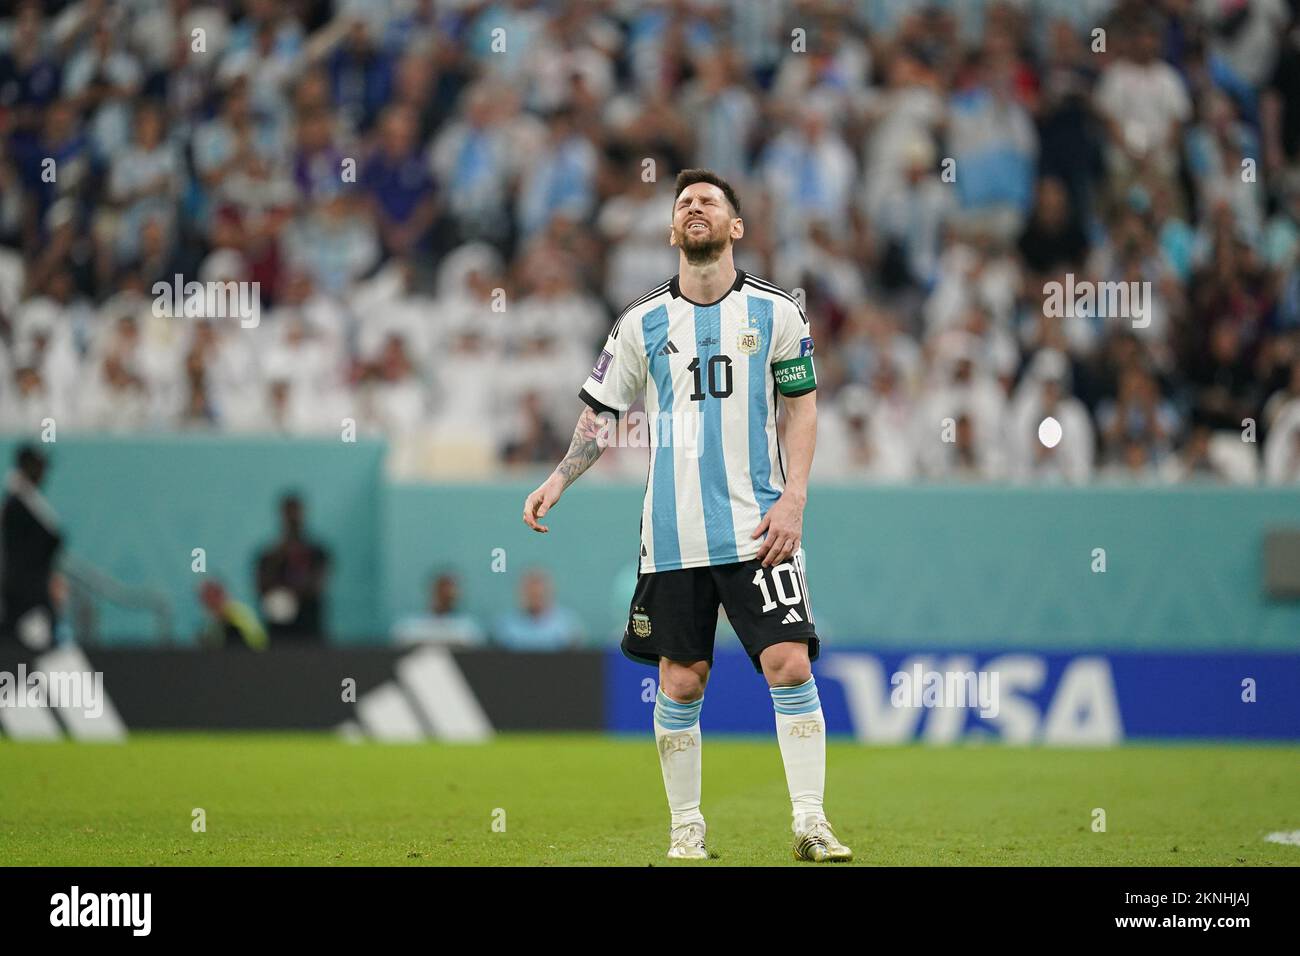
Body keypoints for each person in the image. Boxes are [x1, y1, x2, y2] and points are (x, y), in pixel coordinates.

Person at [522, 169, 850, 863]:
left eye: (708, 202)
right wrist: (559, 477)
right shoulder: (640, 322)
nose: (693, 209)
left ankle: (811, 822)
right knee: (680, 680)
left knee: (789, 664)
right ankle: (687, 829)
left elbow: (804, 407)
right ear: (673, 231)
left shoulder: (777, 313)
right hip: (672, 535)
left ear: (735, 227)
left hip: (762, 526)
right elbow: (601, 413)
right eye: (682, 204)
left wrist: (794, 498)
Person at [0, 444, 63, 651]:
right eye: (39, 467)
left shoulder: (26, 501)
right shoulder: (18, 503)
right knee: (29, 650)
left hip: (32, 592)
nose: (43, 473)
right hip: (26, 595)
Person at [254, 493, 331, 641]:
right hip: (278, 634)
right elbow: (262, 587)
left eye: (297, 513)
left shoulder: (317, 554)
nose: (293, 519)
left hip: (310, 632)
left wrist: (292, 589)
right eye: (289, 514)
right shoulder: (269, 556)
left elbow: (317, 586)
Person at [490, 568, 583, 650]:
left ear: (549, 591)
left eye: (539, 592)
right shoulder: (505, 626)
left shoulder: (567, 625)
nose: (535, 594)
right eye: (530, 591)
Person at [391, 571, 486, 646]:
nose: (446, 593)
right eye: (441, 588)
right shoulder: (409, 626)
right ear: (432, 590)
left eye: (450, 589)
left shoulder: (467, 627)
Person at [197, 579, 267, 650]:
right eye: (207, 598)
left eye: (213, 596)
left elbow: (256, 639)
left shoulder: (237, 612)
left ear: (221, 595)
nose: (211, 602)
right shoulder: (209, 623)